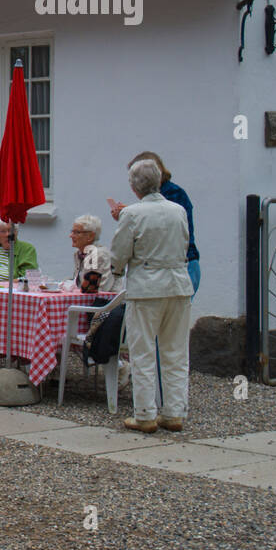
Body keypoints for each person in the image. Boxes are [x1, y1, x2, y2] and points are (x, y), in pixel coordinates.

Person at [109, 159, 193, 434]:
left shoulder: (132, 214)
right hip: (179, 284)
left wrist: (117, 269)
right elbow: (184, 243)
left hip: (146, 288)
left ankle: (145, 413)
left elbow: (120, 252)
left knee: (143, 351)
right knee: (175, 352)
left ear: (134, 187)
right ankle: (174, 412)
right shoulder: (178, 210)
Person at [110, 151, 199, 295]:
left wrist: (131, 216)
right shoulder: (162, 199)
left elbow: (164, 228)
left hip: (179, 267)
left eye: (135, 177)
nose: (133, 183)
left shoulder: (173, 194)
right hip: (173, 270)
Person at [66, 214, 120, 293]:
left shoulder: (99, 255)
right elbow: (79, 284)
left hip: (104, 302)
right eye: (72, 232)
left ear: (90, 236)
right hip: (86, 299)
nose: (71, 236)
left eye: (76, 232)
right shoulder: (79, 254)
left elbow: (98, 288)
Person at [0, 217, 39, 281]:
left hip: (11, 289)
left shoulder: (27, 249)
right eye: (3, 231)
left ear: (16, 232)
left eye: (11, 230)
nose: (8, 234)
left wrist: (2, 285)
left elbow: (27, 277)